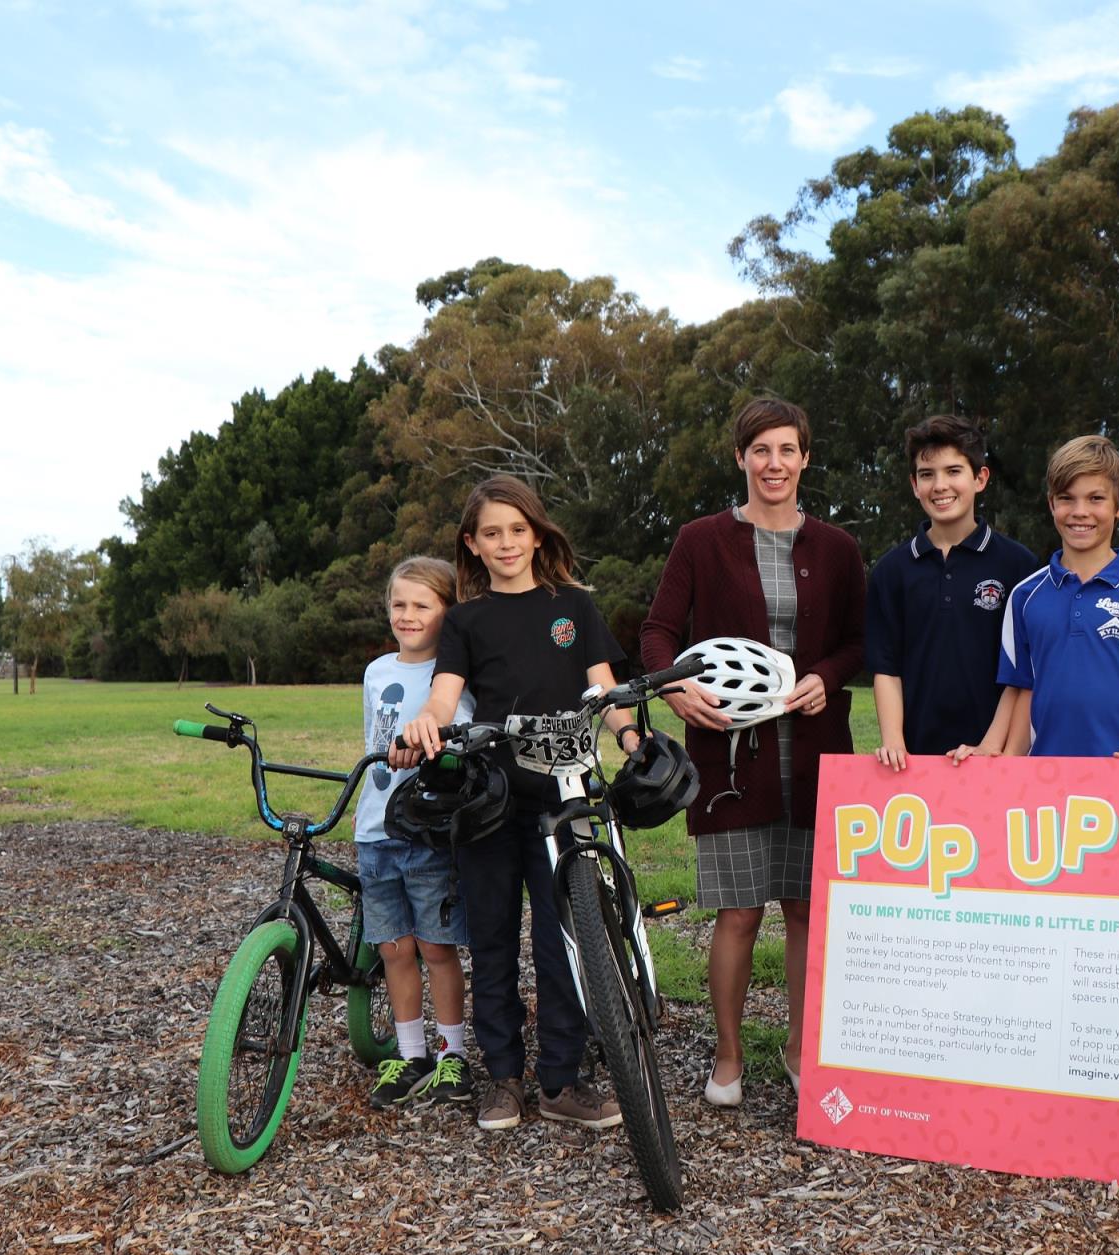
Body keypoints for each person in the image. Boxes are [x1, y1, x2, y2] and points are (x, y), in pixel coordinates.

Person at [640, 395, 864, 1107]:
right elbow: (657, 634)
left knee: (804, 909)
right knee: (738, 912)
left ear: (805, 458)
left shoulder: (838, 548)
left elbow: (859, 642)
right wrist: (675, 693)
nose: (775, 463)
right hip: (733, 761)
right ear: (741, 458)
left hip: (816, 754)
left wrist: (826, 679)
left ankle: (801, 1050)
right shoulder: (699, 540)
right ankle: (729, 1056)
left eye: (788, 450)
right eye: (760, 450)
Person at [400, 476, 643, 1133]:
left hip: (563, 799)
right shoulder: (467, 622)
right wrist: (427, 722)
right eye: (491, 533)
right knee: (494, 938)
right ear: (472, 546)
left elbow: (606, 689)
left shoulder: (575, 609)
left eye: (516, 529)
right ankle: (503, 1078)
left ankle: (562, 1080)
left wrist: (630, 735)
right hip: (490, 800)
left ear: (537, 534)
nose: (505, 543)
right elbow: (444, 696)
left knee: (566, 940)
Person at [992, 434, 1119, 758]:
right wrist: (1010, 765)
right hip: (1042, 782)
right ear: (1051, 504)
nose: (1080, 511)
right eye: (1066, 498)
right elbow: (1025, 690)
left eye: (1095, 499)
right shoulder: (1025, 596)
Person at [355, 557, 474, 1108]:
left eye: (422, 605)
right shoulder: (377, 671)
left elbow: (458, 743)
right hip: (376, 830)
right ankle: (410, 1056)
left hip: (427, 832)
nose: (408, 615)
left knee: (436, 945)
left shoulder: (451, 679)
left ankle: (453, 1054)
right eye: (399, 604)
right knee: (395, 949)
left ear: (446, 612)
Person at [866, 414, 1039, 771]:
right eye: (927, 475)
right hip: (914, 763)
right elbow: (886, 668)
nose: (940, 485)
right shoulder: (891, 571)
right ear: (914, 484)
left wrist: (994, 747)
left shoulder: (1019, 566)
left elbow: (1025, 673)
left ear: (980, 478)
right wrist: (894, 743)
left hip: (994, 758)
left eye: (953, 471)